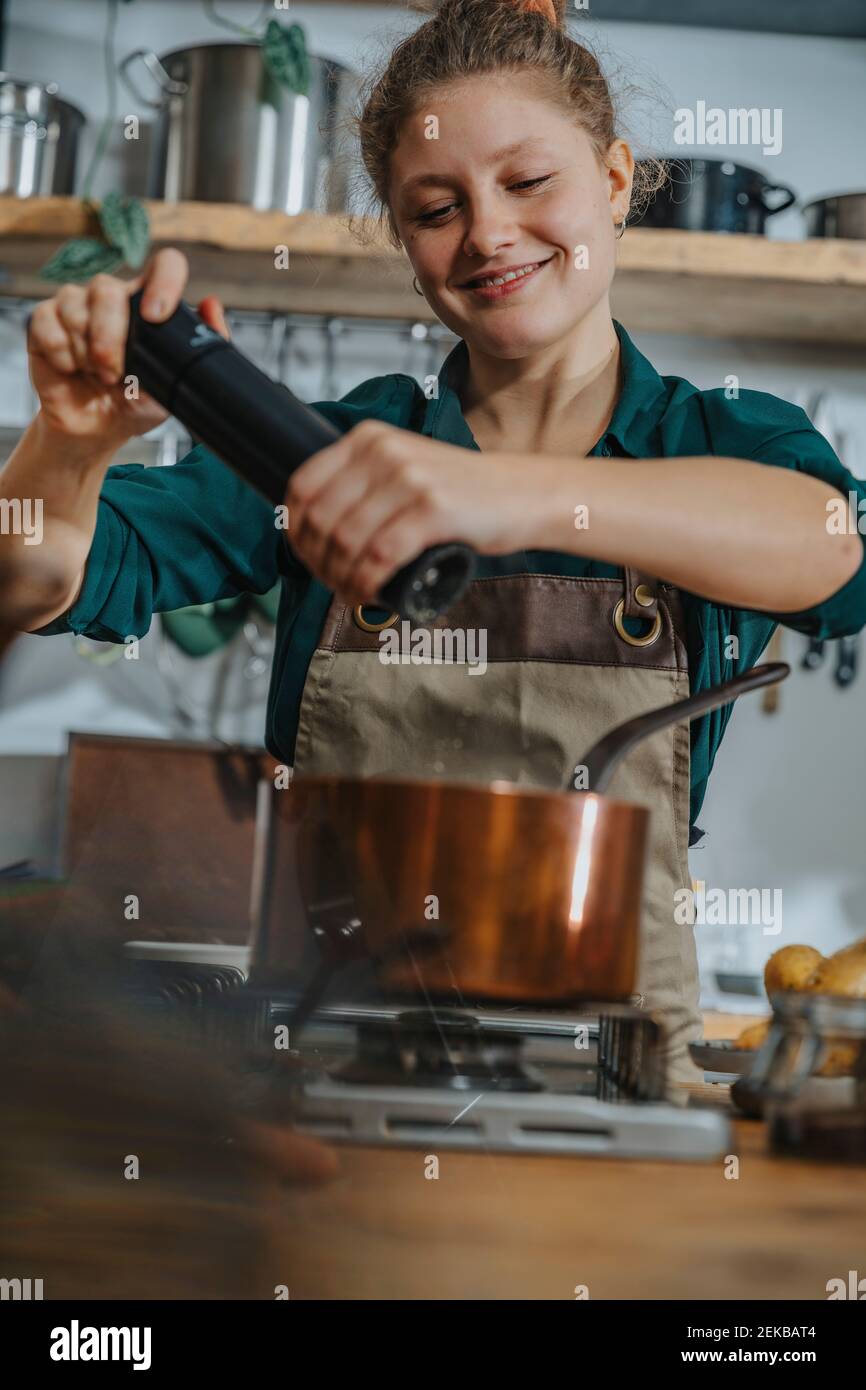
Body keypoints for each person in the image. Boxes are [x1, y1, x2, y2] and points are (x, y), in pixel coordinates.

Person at [2, 0, 864, 1084]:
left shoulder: (719, 440)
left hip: (615, 1065)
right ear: (406, 245)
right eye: (435, 207)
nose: (488, 232)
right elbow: (37, 576)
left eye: (527, 180)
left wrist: (503, 493)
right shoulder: (331, 449)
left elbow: (832, 551)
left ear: (611, 178)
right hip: (327, 1059)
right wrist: (66, 445)